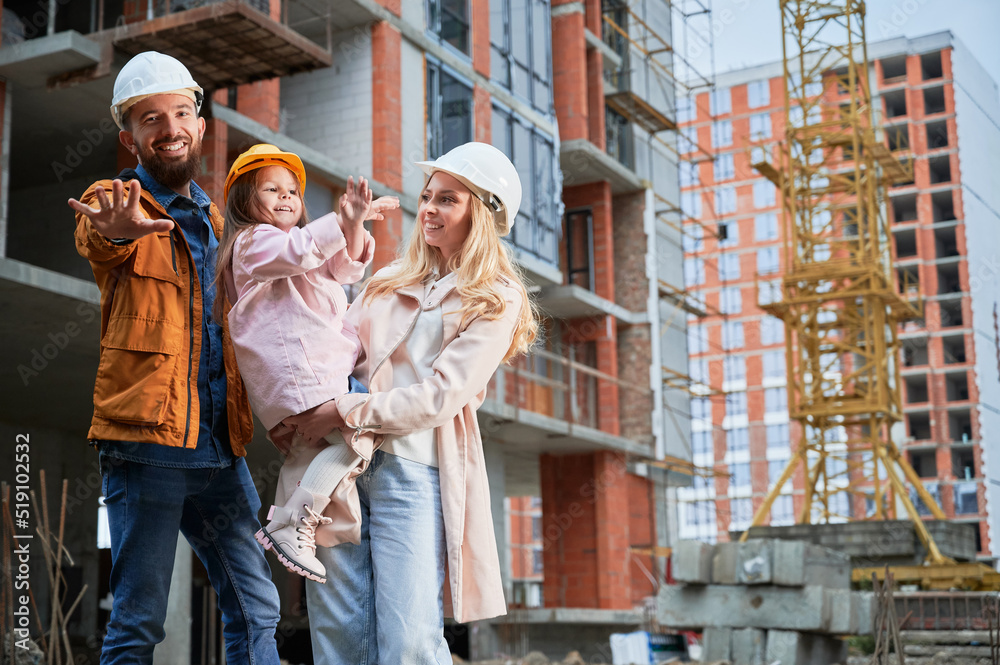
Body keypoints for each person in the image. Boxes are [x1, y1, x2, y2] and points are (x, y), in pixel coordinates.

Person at [276, 142, 538, 664]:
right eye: (427, 197)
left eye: (448, 199)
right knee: (337, 635)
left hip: (412, 472)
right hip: (338, 464)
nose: (430, 210)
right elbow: (337, 351)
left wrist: (341, 411)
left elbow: (440, 396)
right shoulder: (389, 280)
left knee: (409, 642)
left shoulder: (496, 297)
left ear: (482, 214)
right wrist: (296, 407)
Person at [68, 52, 280, 665]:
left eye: (182, 112)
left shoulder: (218, 222)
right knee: (138, 623)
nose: (170, 127)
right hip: (146, 447)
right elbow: (98, 235)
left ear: (201, 124)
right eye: (150, 117)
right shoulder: (115, 200)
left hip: (220, 449)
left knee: (257, 608)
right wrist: (115, 230)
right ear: (129, 137)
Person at [215, 143, 398, 583]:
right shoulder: (252, 244)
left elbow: (347, 266)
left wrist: (352, 223)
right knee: (358, 432)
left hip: (315, 372)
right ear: (244, 200)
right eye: (271, 189)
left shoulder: (299, 251)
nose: (286, 197)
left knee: (327, 446)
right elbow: (302, 250)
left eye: (293, 191)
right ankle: (292, 520)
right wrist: (341, 221)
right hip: (301, 372)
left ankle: (291, 518)